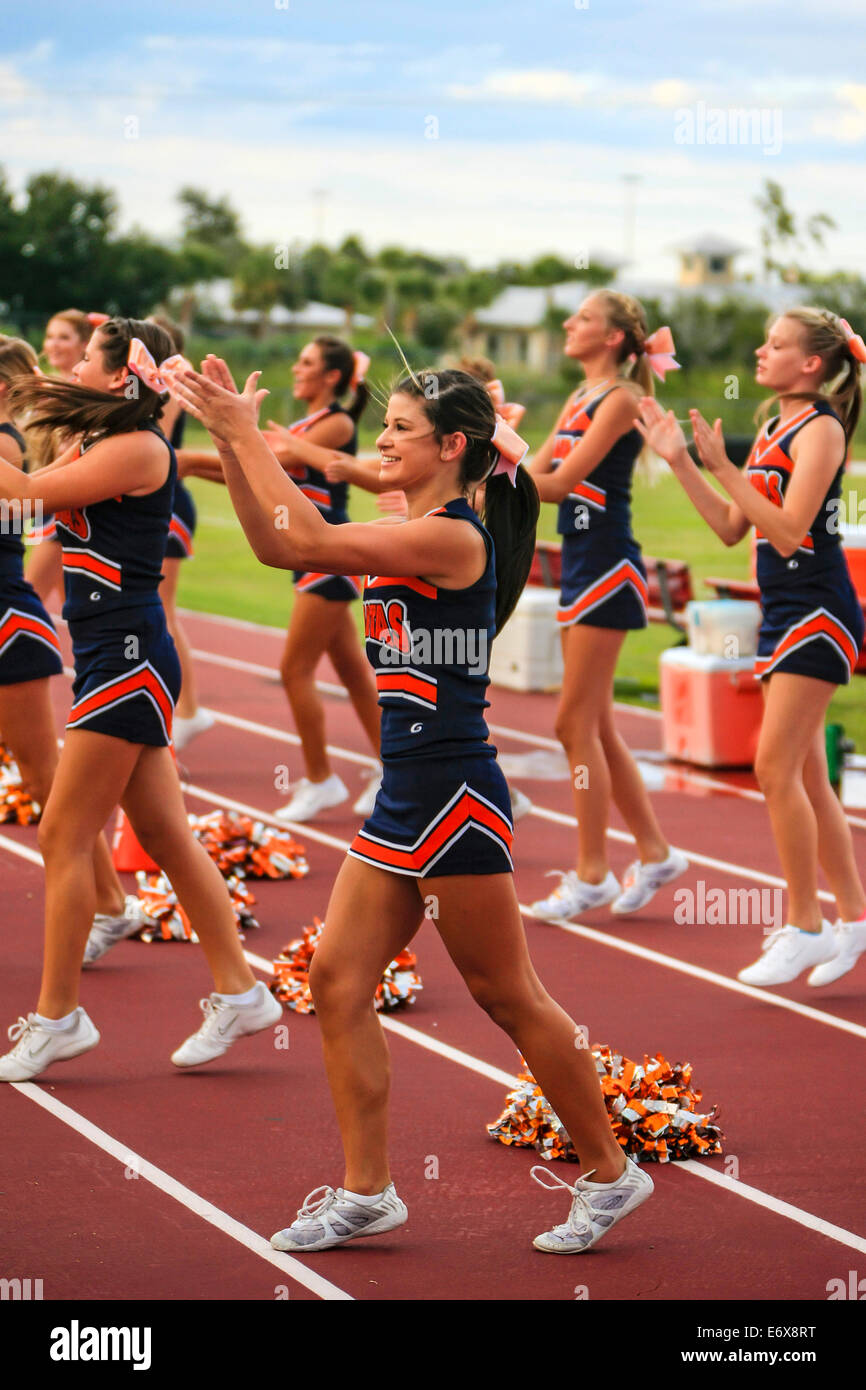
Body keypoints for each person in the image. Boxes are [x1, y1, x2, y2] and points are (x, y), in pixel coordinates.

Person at [171, 355, 655, 1255]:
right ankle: (369, 1193)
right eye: (384, 424)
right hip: (406, 796)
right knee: (337, 983)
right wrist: (231, 440)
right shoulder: (415, 521)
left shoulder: (453, 538)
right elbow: (283, 544)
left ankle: (611, 1175)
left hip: (453, 798)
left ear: (452, 445)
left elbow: (308, 542)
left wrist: (237, 432)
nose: (382, 438)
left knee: (505, 993)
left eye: (398, 427)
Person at [0, 317, 281, 1083]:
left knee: (62, 836)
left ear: (123, 373)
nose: (78, 361)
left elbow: (21, 494)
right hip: (111, 654)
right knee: (165, 833)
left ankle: (59, 1018)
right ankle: (241, 990)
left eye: (90, 353)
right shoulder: (102, 441)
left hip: (125, 656)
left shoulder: (136, 449)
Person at [638, 308, 866, 987]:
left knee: (773, 768)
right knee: (804, 776)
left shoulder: (821, 428)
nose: (760, 352)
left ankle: (805, 924)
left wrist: (722, 465)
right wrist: (683, 462)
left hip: (819, 612)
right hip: (781, 614)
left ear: (812, 365)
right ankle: (852, 922)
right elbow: (734, 528)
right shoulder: (772, 426)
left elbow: (793, 532)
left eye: (775, 344)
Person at [527, 292, 688, 921]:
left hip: (608, 570)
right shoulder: (577, 397)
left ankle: (591, 873)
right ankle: (654, 852)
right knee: (594, 724)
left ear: (617, 338)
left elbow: (557, 484)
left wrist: (484, 478)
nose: (569, 324)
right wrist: (485, 463)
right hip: (580, 566)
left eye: (583, 319)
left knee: (573, 725)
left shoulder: (621, 399)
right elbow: (533, 469)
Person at [0, 335, 139, 943]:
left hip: (9, 629)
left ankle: (110, 901)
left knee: (47, 781)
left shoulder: (4, 443)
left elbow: (24, 509)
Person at [148, 315, 214, 751]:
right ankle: (184, 709)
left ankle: (187, 709)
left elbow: (160, 440)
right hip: (155, 497)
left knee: (163, 611)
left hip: (167, 501)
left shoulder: (168, 379)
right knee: (158, 610)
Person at [26, 309, 97, 608]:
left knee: (27, 596)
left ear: (84, 345)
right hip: (45, 497)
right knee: (74, 605)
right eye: (50, 336)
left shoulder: (88, 391)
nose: (54, 344)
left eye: (64, 337)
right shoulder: (45, 385)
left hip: (66, 505)